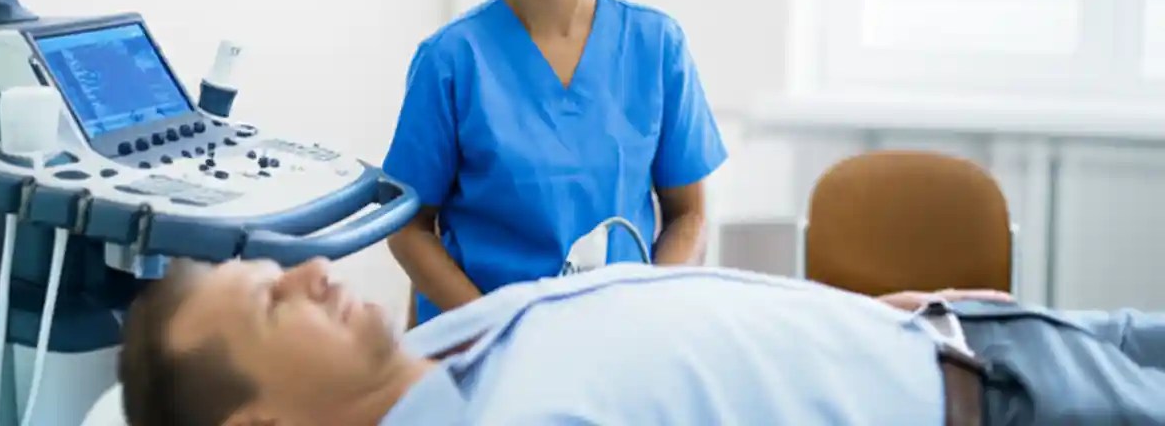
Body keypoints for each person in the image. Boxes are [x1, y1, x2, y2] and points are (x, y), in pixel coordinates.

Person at [382, 0, 729, 326]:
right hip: (485, 341)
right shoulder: (453, 57)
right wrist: (494, 328)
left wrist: (649, 307)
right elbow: (408, 228)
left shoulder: (656, 47)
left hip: (617, 334)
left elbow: (689, 214)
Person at [117, 257, 1165, 426]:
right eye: (272, 303)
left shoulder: (462, 350)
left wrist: (869, 315)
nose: (314, 271)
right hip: (1016, 405)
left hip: (978, 330)